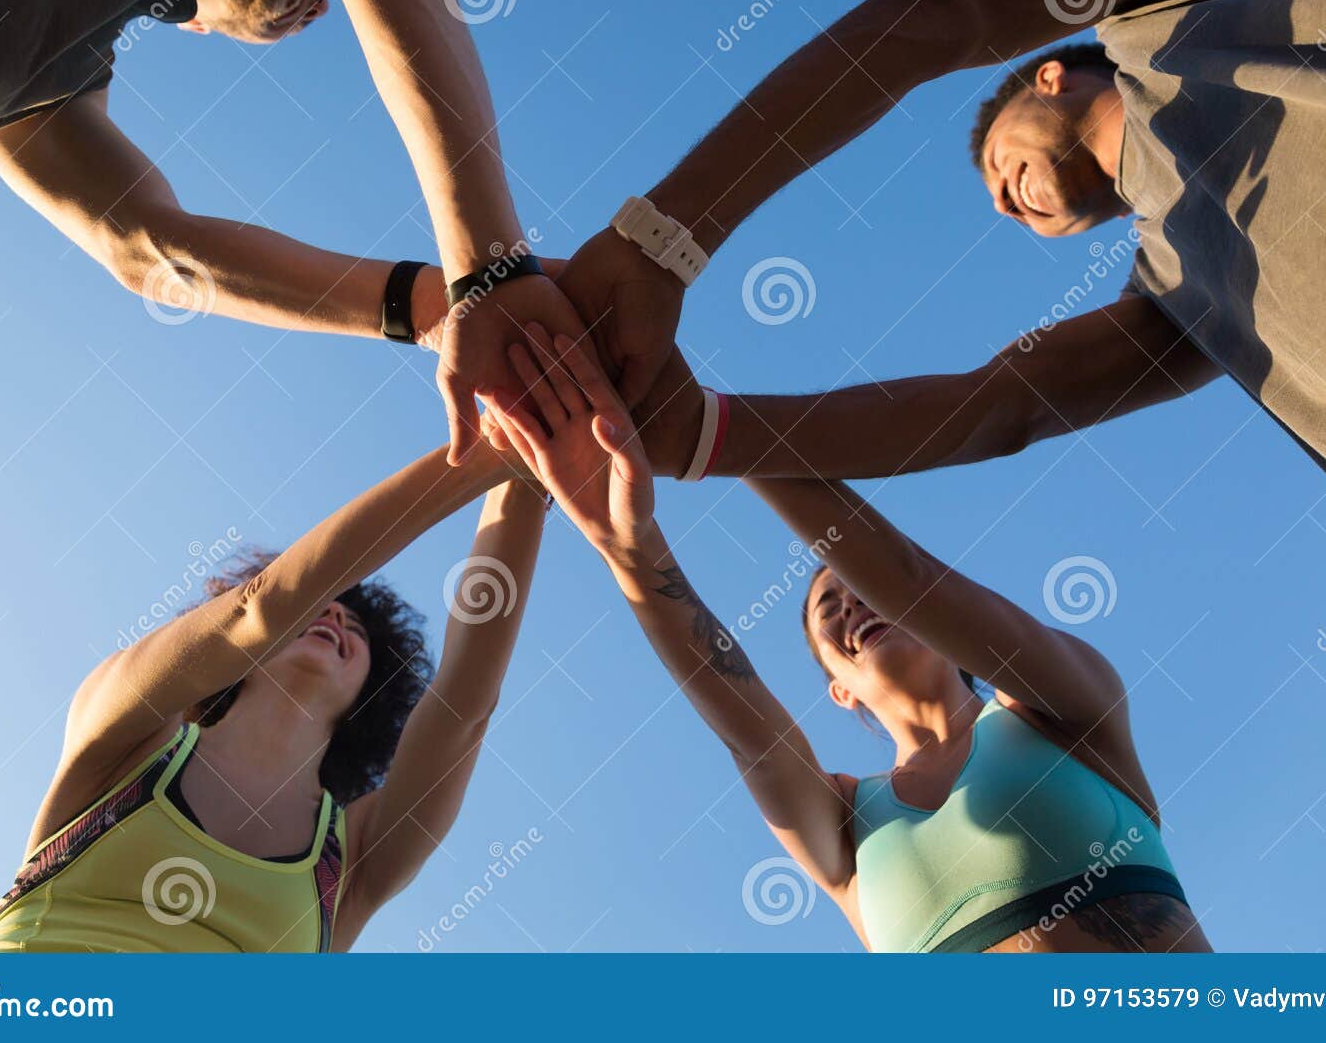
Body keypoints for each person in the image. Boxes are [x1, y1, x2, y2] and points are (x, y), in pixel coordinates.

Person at [561, 0, 1326, 573]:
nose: (1003, 202)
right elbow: (1000, 406)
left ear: (1050, 75)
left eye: (995, 163)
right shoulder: (1183, 289)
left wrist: (660, 241)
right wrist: (700, 433)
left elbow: (949, 10)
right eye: (998, 204)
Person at [485, 330, 1211, 952]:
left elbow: (907, 577)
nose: (853, 603)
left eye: (858, 588)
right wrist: (628, 547)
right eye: (828, 608)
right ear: (838, 687)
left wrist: (706, 431)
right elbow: (750, 733)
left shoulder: (1059, 709)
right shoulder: (847, 823)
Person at [0, 0, 586, 460]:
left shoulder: (44, 81)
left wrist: (434, 309)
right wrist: (492, 269)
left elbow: (151, 250)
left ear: (196, 26)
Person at [0, 440, 542, 951]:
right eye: (316, 608)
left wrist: (533, 461)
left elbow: (464, 709)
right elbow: (256, 612)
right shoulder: (130, 739)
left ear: (372, 692)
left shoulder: (351, 857)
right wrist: (498, 444)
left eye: (355, 628)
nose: (334, 617)